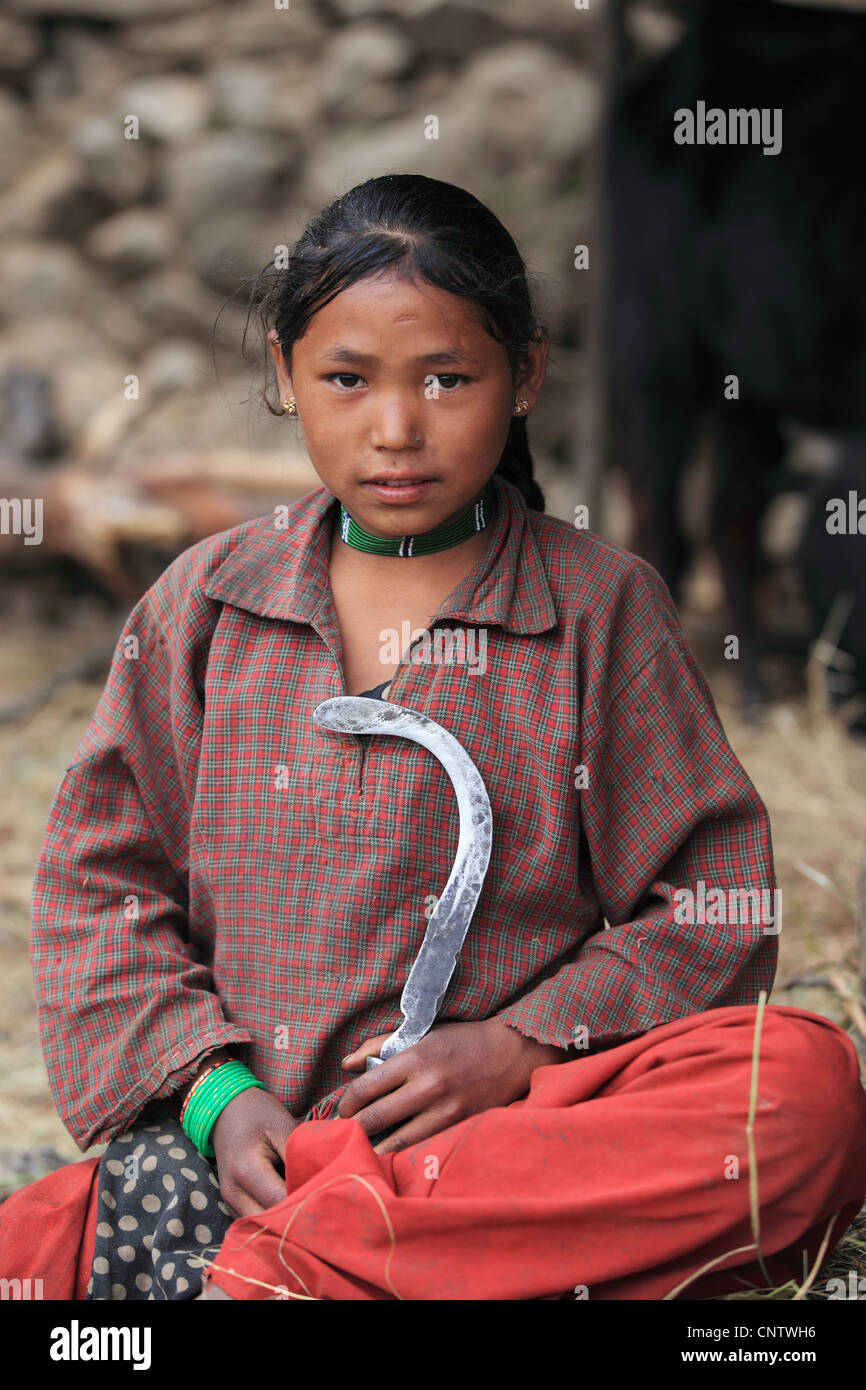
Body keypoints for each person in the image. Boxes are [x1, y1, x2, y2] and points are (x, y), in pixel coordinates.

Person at [1, 174, 864, 1302]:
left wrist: (523, 1043)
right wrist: (215, 1097)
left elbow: (711, 903)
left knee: (799, 1085)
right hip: (246, 1159)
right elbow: (97, 887)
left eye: (447, 378)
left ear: (524, 377)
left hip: (507, 1150)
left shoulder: (597, 606)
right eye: (346, 380)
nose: (395, 429)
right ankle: (326, 1245)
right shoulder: (207, 602)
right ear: (282, 374)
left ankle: (288, 1272)